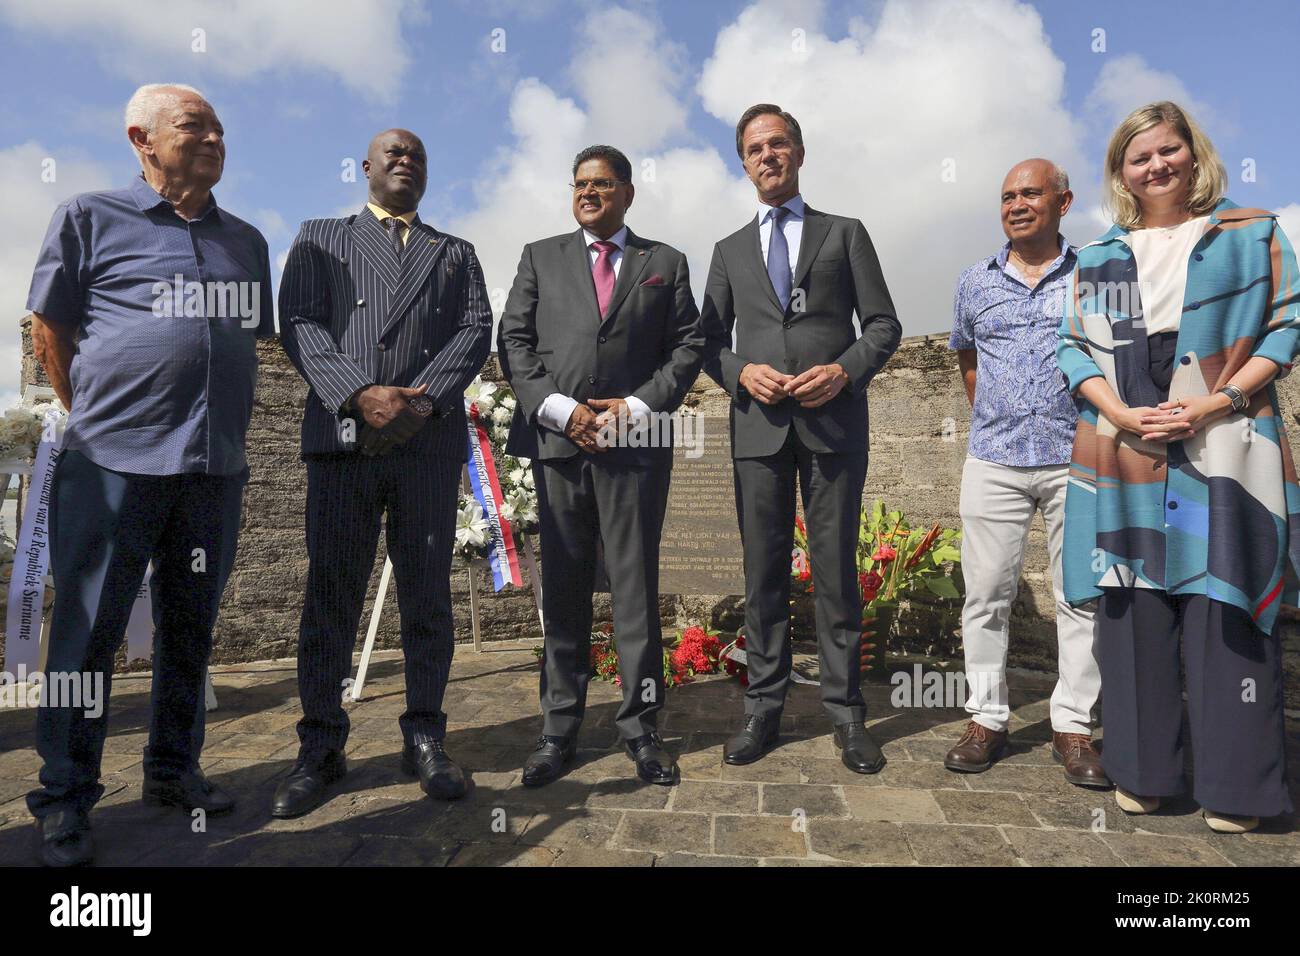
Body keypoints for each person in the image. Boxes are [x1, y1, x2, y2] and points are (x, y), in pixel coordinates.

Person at [25, 83, 276, 866]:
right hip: (111, 466)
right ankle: (65, 796)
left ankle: (173, 771)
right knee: (86, 637)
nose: (213, 140)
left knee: (191, 632)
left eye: (220, 130)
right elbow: (49, 333)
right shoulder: (88, 216)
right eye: (194, 126)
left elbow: (238, 344)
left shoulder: (247, 241)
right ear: (141, 137)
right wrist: (102, 418)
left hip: (212, 469)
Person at [1057, 101, 1299, 833]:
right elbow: (1078, 350)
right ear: (1122, 172)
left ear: (1193, 154)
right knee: (1131, 607)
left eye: (1168, 150)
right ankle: (1143, 770)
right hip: (1125, 437)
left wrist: (1218, 401)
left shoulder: (1247, 232)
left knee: (1225, 600)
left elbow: (1287, 321)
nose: (1156, 165)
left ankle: (1238, 788)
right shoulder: (1105, 256)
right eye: (1140, 157)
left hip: (1223, 435)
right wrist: (1122, 414)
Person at [275, 128, 492, 817]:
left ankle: (425, 735)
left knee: (427, 596)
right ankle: (320, 747)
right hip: (344, 442)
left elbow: (474, 330)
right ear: (366, 166)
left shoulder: (454, 252)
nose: (405, 161)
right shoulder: (320, 238)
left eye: (419, 155)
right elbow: (300, 324)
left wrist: (417, 403)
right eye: (392, 153)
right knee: (332, 595)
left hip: (424, 446)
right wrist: (360, 394)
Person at [700, 104, 901, 772]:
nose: (768, 156)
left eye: (778, 144)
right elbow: (703, 341)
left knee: (838, 572)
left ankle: (846, 716)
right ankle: (764, 709)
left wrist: (843, 372)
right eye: (755, 148)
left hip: (833, 426)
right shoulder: (728, 251)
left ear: (800, 152)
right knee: (763, 574)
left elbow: (882, 325)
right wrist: (739, 371)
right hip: (757, 431)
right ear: (744, 161)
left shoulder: (845, 234)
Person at [497, 144, 703, 787]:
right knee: (562, 591)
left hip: (634, 450)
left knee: (635, 592)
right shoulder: (540, 256)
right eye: (580, 184)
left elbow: (689, 344)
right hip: (561, 449)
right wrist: (559, 410)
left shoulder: (663, 263)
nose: (589, 193)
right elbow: (515, 340)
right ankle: (558, 730)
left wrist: (638, 406)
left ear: (628, 193)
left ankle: (641, 731)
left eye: (603, 184)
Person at [943, 159, 1107, 788]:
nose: (1016, 204)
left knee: (1080, 597)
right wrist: (1000, 414)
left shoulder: (1094, 276)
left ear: (1063, 202)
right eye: (1007, 195)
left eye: (1030, 193)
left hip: (1078, 457)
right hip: (994, 460)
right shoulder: (973, 282)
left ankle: (1072, 725)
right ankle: (986, 717)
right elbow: (966, 358)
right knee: (986, 596)